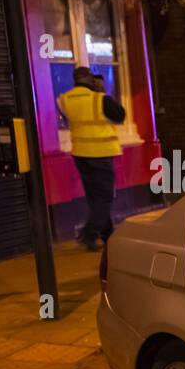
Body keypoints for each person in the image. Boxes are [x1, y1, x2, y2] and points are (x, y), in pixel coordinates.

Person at [58, 67, 125, 249]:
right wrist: (102, 92)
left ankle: (108, 236)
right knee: (105, 198)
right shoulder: (99, 99)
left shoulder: (64, 99)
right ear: (90, 80)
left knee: (95, 198)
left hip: (80, 154)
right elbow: (120, 116)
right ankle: (89, 233)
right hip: (101, 153)